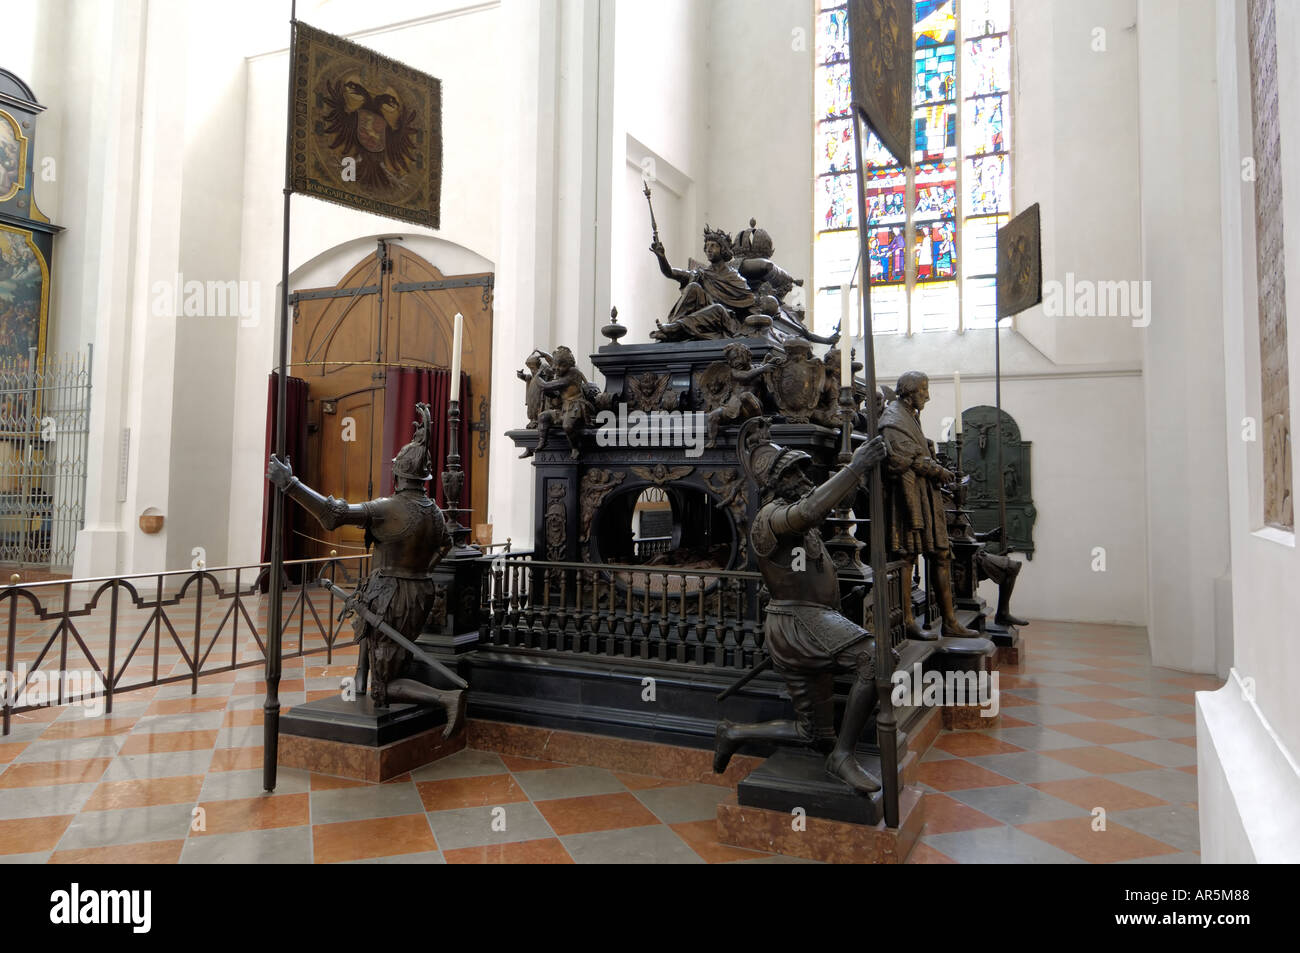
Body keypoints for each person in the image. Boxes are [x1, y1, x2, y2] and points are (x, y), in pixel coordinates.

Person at [714, 423, 893, 794]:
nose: (800, 476)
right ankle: (843, 757)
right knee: (874, 659)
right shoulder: (771, 518)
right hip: (797, 622)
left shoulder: (799, 515)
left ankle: (734, 732)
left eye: (800, 469)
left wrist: (862, 471)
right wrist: (855, 466)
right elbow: (811, 510)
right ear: (775, 483)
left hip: (814, 620)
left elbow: (826, 504)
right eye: (791, 472)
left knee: (816, 734)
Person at [266, 403, 463, 731]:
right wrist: (420, 570)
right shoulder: (435, 511)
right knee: (375, 635)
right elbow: (445, 545)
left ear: (398, 473)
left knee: (383, 687)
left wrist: (291, 485)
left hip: (394, 595)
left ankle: (447, 699)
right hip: (418, 590)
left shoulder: (389, 508)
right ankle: (361, 676)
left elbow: (334, 515)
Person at [880, 371, 977, 638]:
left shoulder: (909, 415)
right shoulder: (893, 418)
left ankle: (949, 621)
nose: (928, 396)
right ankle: (907, 621)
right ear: (909, 391)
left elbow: (916, 452)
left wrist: (932, 461)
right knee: (907, 557)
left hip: (926, 495)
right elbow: (900, 457)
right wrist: (937, 470)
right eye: (923, 390)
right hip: (907, 500)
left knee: (941, 554)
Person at [649, 226, 756, 342]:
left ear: (723, 249)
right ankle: (673, 328)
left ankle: (674, 329)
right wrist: (662, 257)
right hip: (703, 317)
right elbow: (670, 273)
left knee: (718, 308)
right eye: (707, 246)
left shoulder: (735, 277)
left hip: (724, 320)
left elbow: (750, 302)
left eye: (713, 245)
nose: (708, 249)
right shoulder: (701, 274)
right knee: (693, 287)